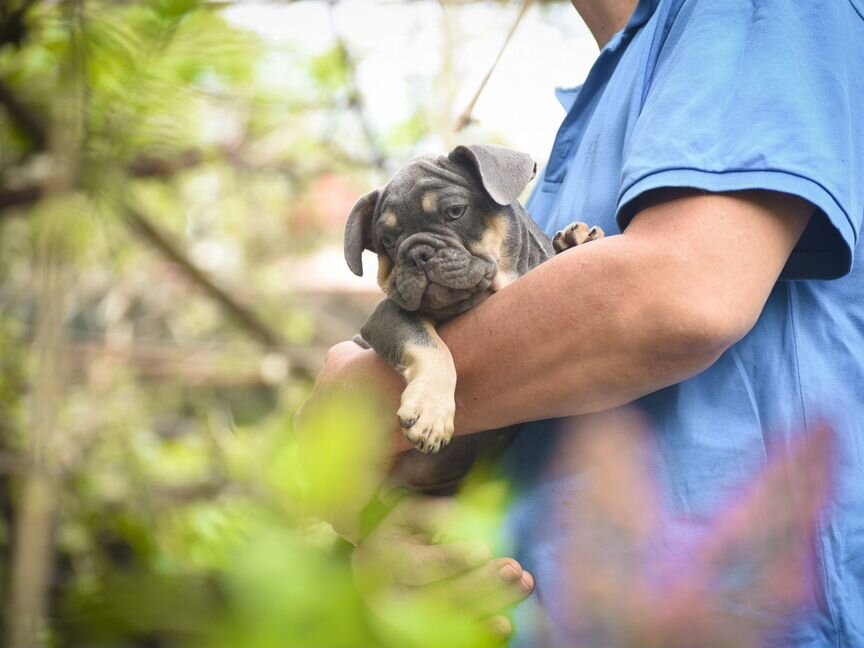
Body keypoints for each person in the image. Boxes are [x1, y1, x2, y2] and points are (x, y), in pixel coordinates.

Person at [303, 0, 864, 645]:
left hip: (736, 614)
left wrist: (368, 393)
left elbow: (683, 292)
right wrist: (392, 538)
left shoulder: (756, 13)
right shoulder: (588, 120)